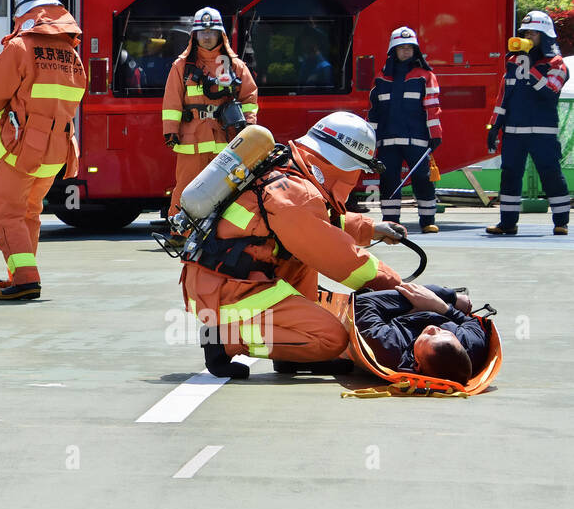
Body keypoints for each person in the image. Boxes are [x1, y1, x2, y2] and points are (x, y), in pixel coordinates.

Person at [180, 111, 405, 379]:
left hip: (222, 279)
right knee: (332, 339)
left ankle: (292, 357)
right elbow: (340, 258)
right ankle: (225, 339)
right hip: (231, 294)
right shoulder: (298, 193)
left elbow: (315, 226)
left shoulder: (286, 168)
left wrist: (369, 229)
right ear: (345, 165)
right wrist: (398, 289)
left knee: (302, 257)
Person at [0, 0, 86, 301]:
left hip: (23, 148)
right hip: (58, 151)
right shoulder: (72, 54)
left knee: (5, 211)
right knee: (28, 212)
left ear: (24, 14)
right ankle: (21, 271)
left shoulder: (21, 48)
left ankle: (24, 278)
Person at [161, 7, 259, 220]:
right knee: (185, 187)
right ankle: (180, 232)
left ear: (220, 35)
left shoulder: (235, 66)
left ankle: (224, 233)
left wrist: (248, 129)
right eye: (202, 32)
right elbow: (172, 101)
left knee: (227, 189)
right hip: (191, 139)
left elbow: (249, 98)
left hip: (225, 139)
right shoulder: (181, 66)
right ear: (195, 35)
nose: (206, 37)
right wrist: (170, 131)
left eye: (211, 32)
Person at [486, 10, 570, 235]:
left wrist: (530, 70)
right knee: (510, 175)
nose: (528, 38)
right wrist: (494, 126)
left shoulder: (556, 63)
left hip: (543, 133)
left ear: (545, 36)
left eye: (533, 34)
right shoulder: (513, 62)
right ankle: (507, 223)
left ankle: (561, 221)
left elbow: (550, 92)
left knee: (550, 174)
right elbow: (504, 96)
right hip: (514, 132)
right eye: (526, 33)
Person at [368, 26, 443, 233]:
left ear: (416, 50)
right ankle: (391, 222)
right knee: (389, 180)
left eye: (410, 48)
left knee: (422, 178)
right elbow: (374, 112)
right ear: (393, 50)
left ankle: (428, 221)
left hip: (417, 140)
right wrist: (371, 140)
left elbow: (432, 107)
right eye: (402, 48)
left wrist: (435, 135)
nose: (406, 51)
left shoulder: (425, 76)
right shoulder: (381, 78)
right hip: (388, 141)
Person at [352, 283, 487, 386]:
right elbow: (470, 322)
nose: (434, 328)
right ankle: (448, 298)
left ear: (417, 364)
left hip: (389, 314)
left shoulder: (388, 346)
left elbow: (362, 303)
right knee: (458, 302)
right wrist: (440, 307)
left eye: (429, 336)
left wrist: (410, 306)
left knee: (415, 291)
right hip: (437, 308)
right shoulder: (472, 344)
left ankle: (449, 296)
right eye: (444, 332)